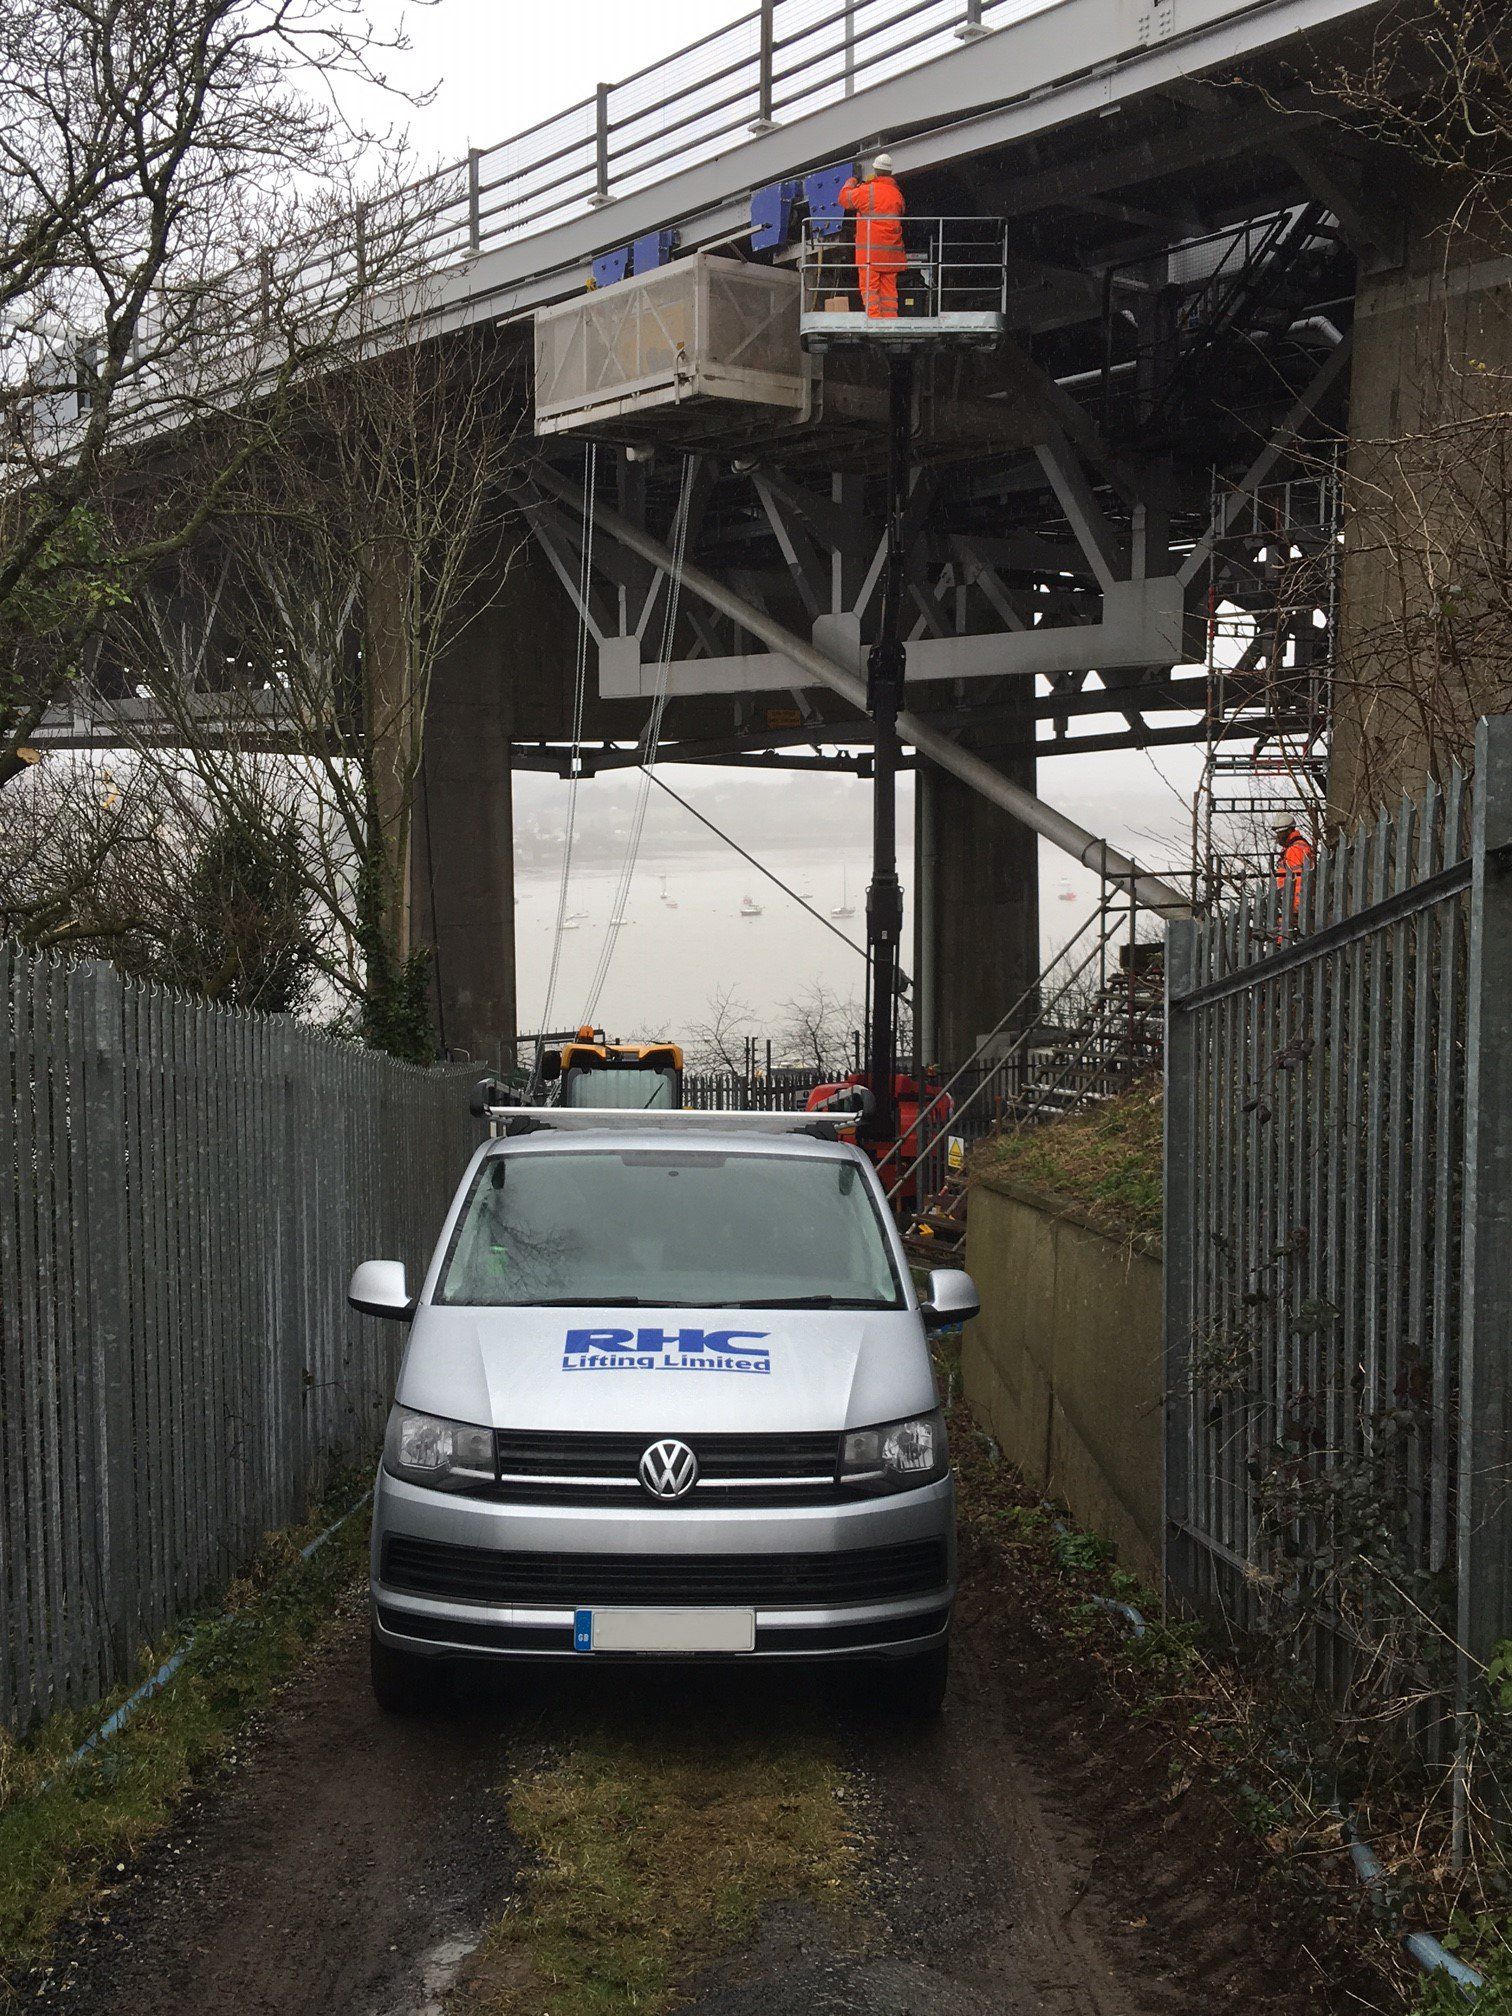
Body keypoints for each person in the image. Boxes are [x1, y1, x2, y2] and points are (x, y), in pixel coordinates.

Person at [838, 153, 905, 320]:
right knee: (889, 293)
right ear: (890, 172)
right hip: (891, 255)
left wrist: (851, 182)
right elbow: (901, 211)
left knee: (870, 290)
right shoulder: (897, 194)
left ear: (875, 170)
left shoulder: (867, 191)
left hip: (870, 254)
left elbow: (844, 200)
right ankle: (890, 322)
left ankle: (874, 321)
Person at [1273, 817, 1314, 915]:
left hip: (1294, 905)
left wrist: (1296, 909)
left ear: (1289, 830)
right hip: (1290, 901)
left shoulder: (1295, 849)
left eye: (1280, 832)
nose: (1278, 836)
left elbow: (1299, 881)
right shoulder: (1292, 848)